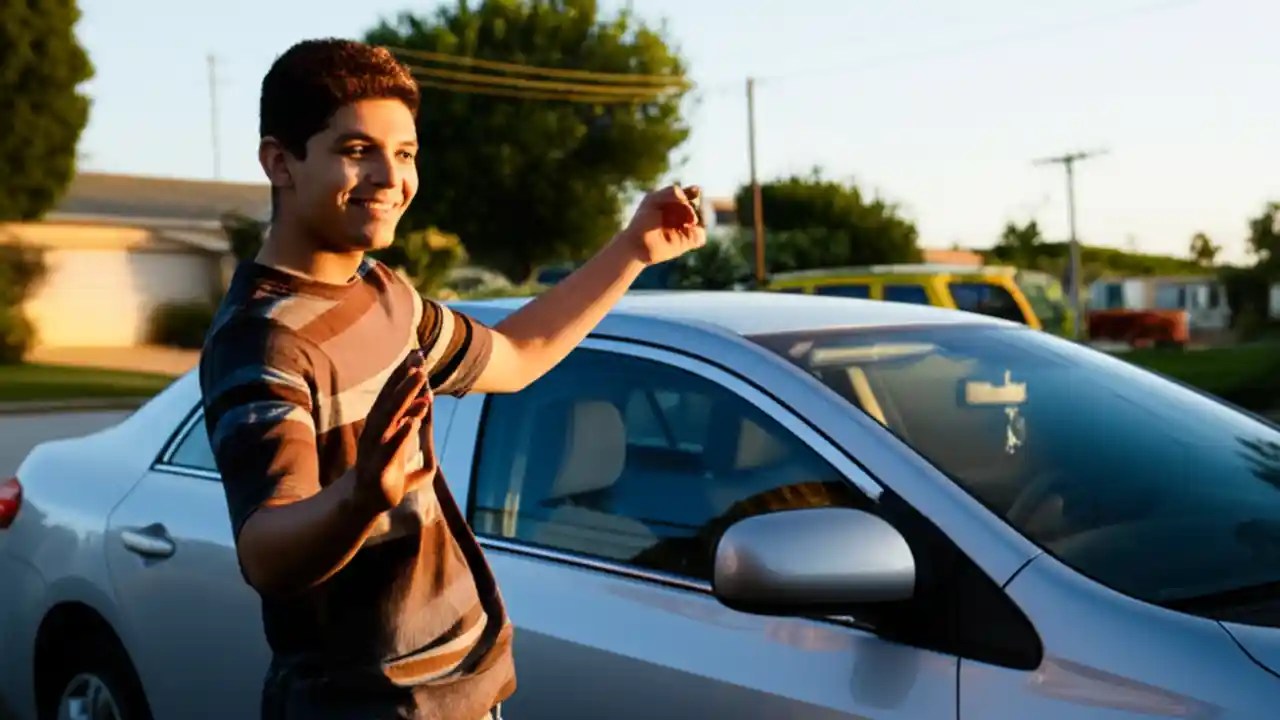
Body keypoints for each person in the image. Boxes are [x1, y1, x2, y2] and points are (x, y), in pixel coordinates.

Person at [199, 38, 704, 720]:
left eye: (404, 153)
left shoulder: (382, 291)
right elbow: (265, 551)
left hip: (463, 694)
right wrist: (358, 496)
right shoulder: (263, 339)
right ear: (279, 161)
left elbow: (518, 355)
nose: (390, 177)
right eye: (356, 151)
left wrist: (632, 249)